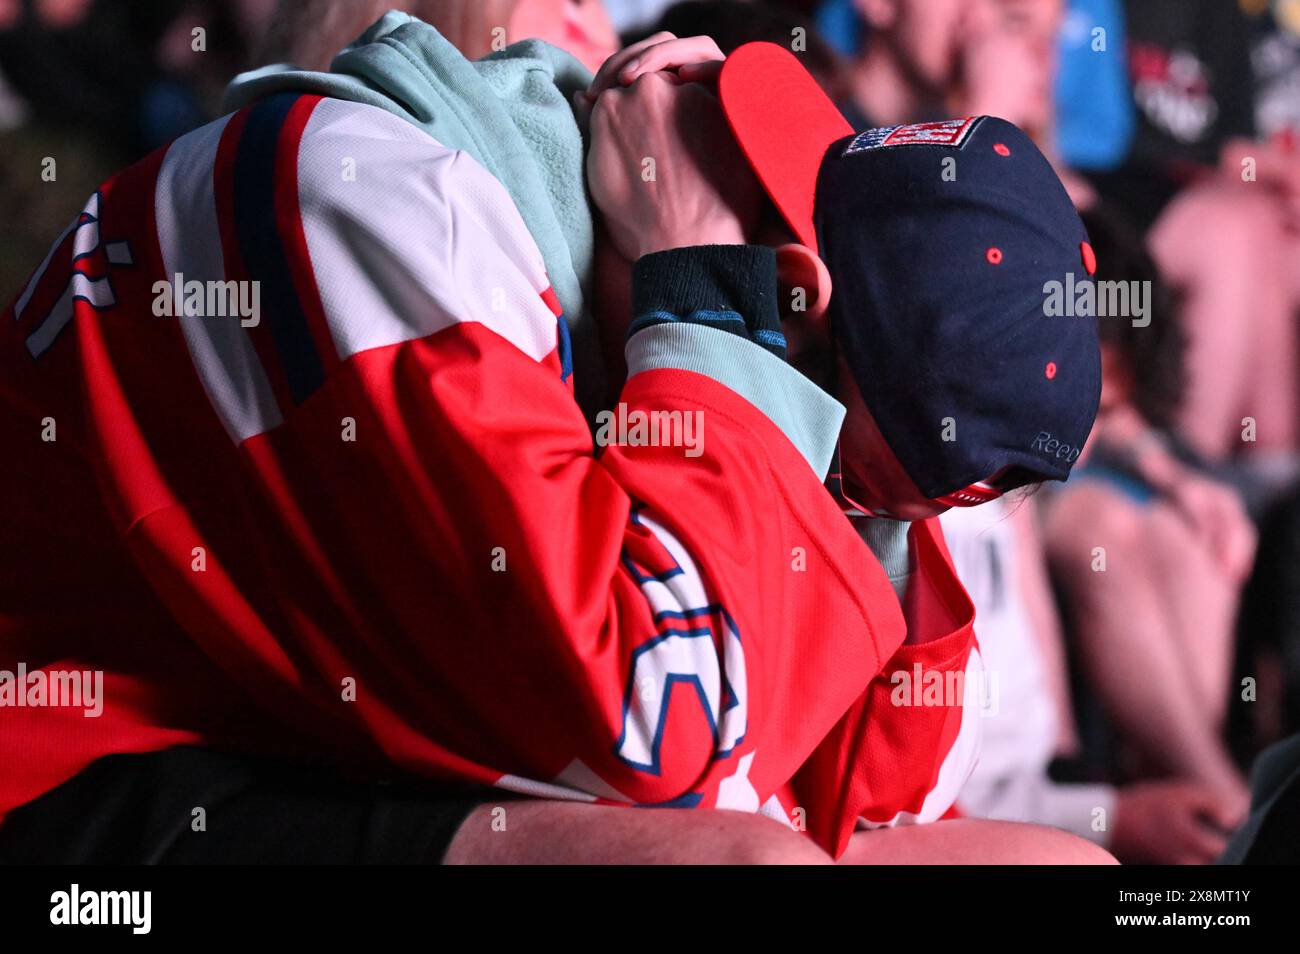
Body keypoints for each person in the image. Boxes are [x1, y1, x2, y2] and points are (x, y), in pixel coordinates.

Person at [0, 7, 1110, 864]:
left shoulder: (686, 323)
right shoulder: (364, 188)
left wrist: (729, 339)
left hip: (306, 758)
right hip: (84, 789)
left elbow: (861, 793)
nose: (684, 73)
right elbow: (656, 737)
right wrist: (709, 320)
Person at [1043, 209, 1256, 829]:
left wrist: (1183, 485)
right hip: (1019, 493)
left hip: (1095, 495)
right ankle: (1227, 803)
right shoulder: (1036, 260)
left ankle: (1179, 789)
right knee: (1103, 527)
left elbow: (1120, 414)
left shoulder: (1108, 314)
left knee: (1188, 541)